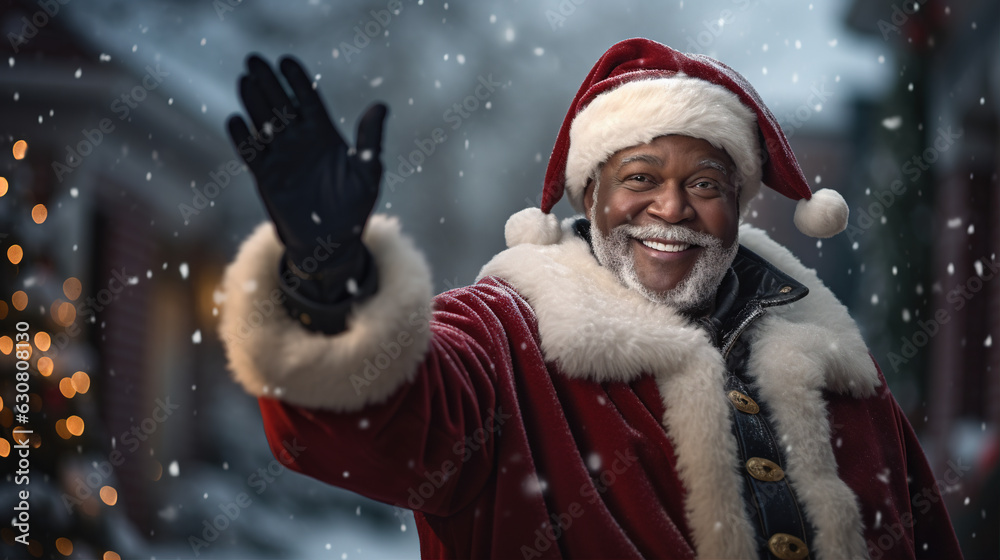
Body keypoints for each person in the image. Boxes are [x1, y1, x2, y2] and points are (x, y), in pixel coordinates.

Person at [218, 38, 962, 559]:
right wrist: (330, 282)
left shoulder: (836, 363)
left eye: (704, 184)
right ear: (590, 194)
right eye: (640, 178)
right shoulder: (506, 333)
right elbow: (381, 425)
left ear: (740, 203)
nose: (671, 208)